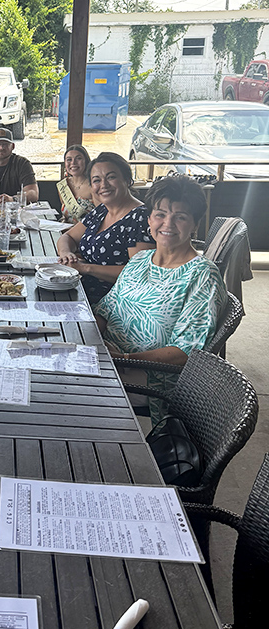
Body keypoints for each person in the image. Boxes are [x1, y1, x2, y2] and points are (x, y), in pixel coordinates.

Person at [95, 175, 227, 421]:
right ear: (149, 219)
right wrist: (91, 341)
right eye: (160, 214)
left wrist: (123, 360)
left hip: (151, 378)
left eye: (180, 216)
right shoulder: (139, 260)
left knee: (61, 388)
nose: (168, 223)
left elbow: (185, 352)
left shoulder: (201, 275)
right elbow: (106, 309)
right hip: (108, 359)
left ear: (195, 224)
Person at [57, 151, 154, 307]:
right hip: (80, 293)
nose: (103, 185)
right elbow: (67, 237)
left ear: (127, 180)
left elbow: (137, 273)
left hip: (111, 305)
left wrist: (85, 268)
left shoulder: (140, 218)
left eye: (111, 177)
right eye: (96, 180)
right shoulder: (102, 210)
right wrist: (66, 253)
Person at [57, 143, 94, 222]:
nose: (73, 163)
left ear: (86, 161)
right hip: (66, 231)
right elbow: (65, 215)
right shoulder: (63, 185)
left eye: (78, 158)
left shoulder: (93, 185)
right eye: (69, 159)